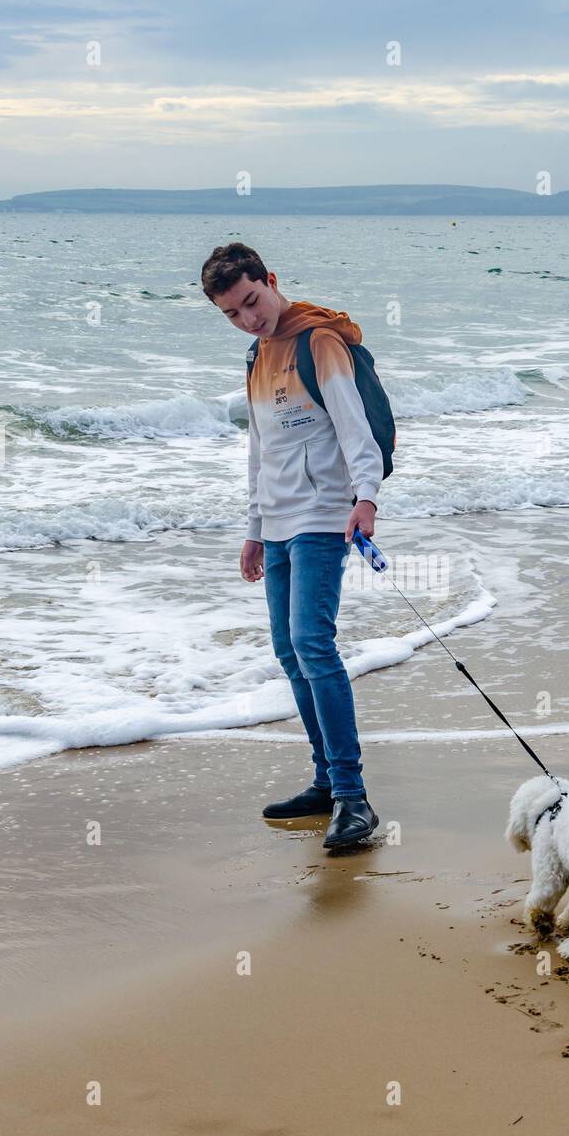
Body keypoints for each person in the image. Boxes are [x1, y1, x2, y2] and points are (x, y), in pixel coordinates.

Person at [201, 242, 381, 851]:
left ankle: (354, 799)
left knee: (312, 641)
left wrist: (367, 499)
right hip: (275, 522)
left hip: (325, 513)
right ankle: (326, 781)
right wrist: (253, 528)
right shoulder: (257, 354)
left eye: (252, 301)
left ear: (270, 280)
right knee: (287, 650)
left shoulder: (318, 341)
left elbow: (355, 427)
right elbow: (260, 448)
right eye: (232, 314)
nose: (248, 319)